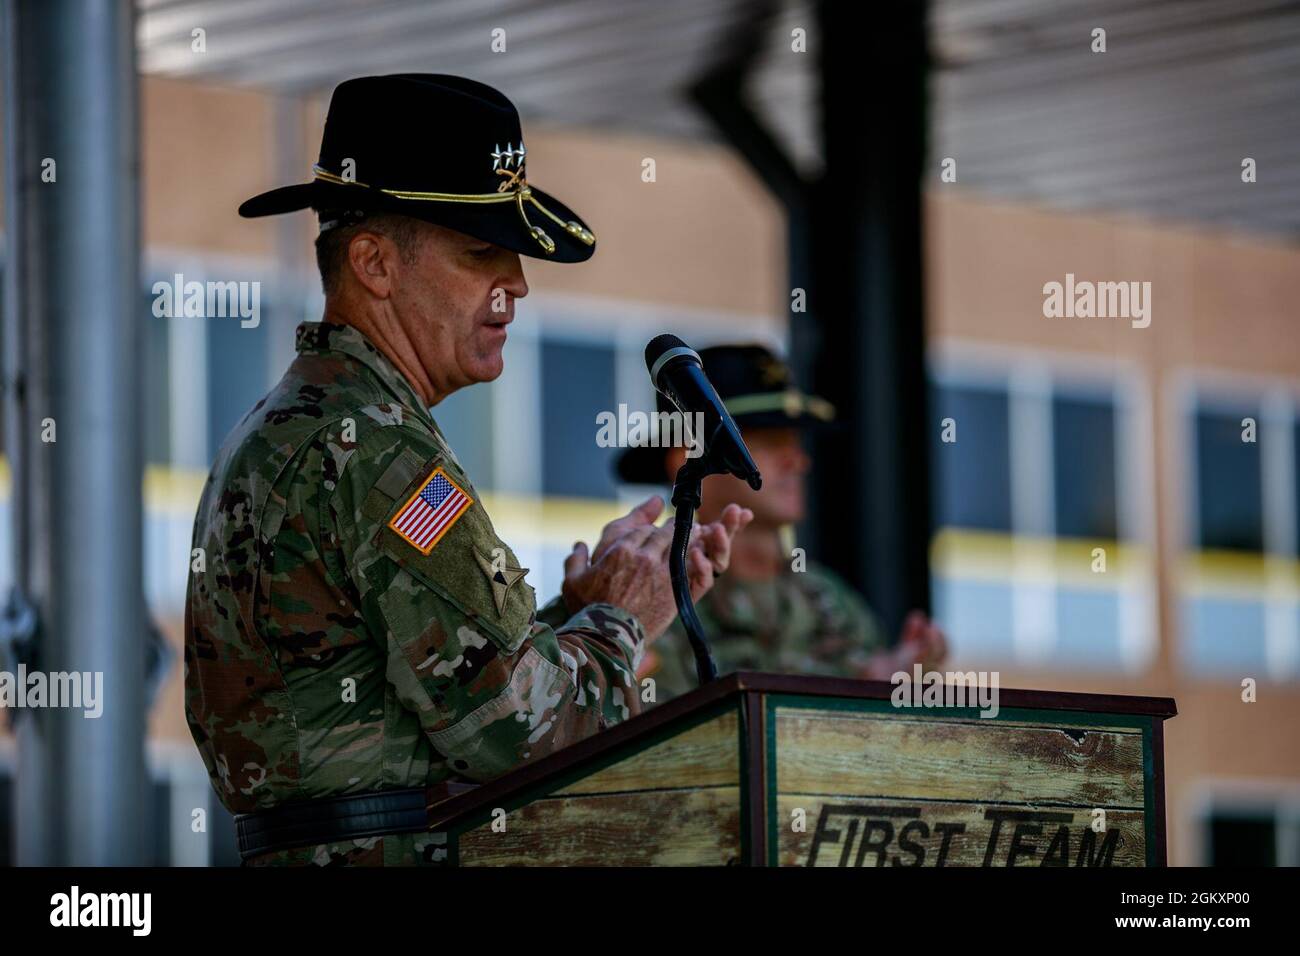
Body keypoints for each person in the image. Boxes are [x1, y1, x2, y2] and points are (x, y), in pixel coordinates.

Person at [185, 74, 751, 866]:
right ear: (375, 264)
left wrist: (574, 612)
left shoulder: (301, 424)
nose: (516, 282)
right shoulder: (379, 452)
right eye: (481, 251)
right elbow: (516, 736)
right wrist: (625, 617)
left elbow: (424, 691)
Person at [615, 345, 947, 703]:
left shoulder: (834, 604)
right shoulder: (646, 596)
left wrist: (881, 686)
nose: (798, 460)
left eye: (795, 442)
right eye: (770, 441)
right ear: (686, 457)